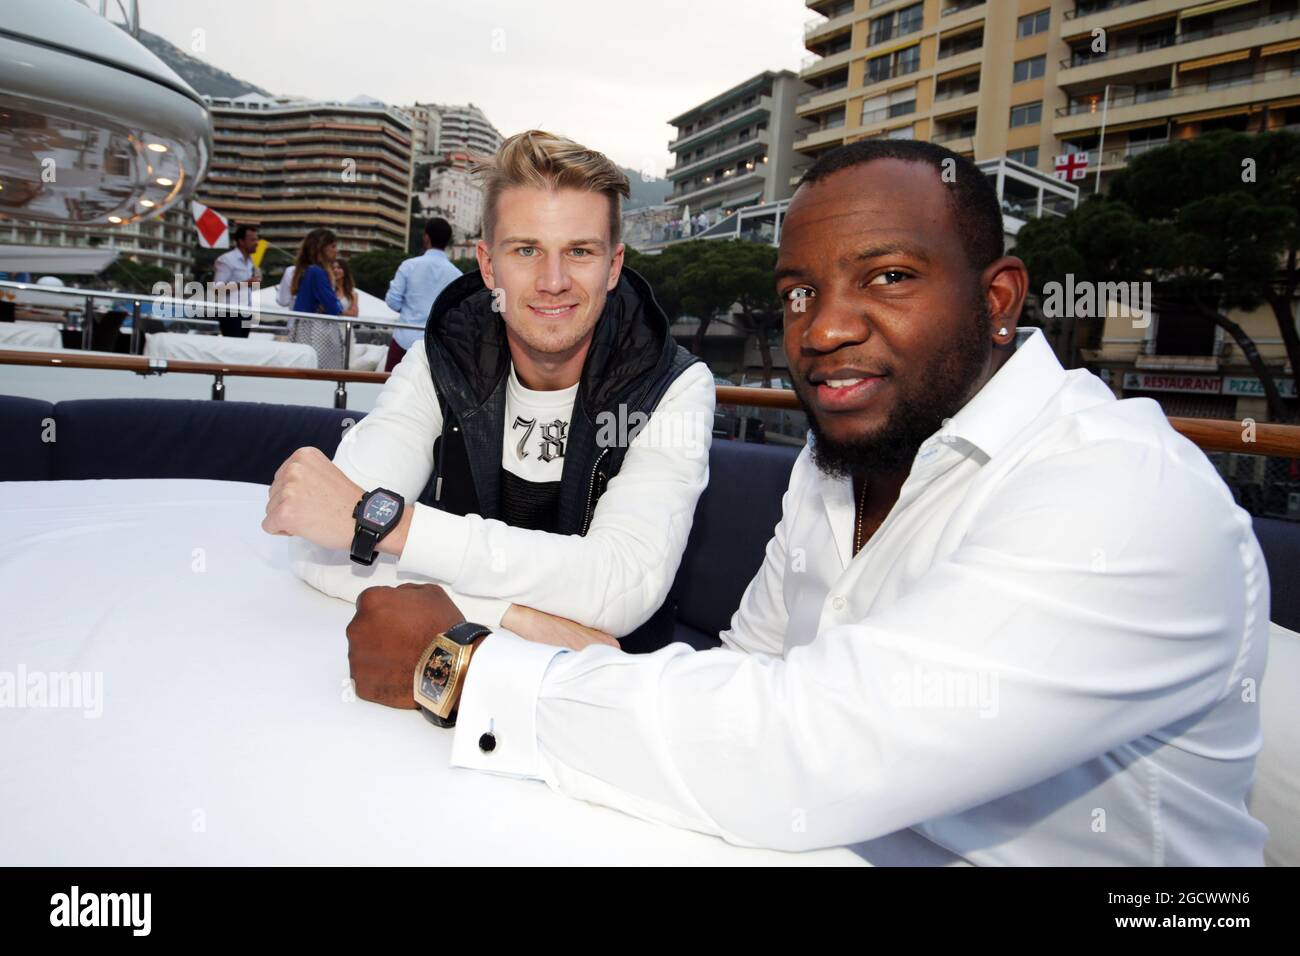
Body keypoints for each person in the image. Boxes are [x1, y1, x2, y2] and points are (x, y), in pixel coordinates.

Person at [341, 139, 1270, 865]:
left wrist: (465, 666)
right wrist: (578, 656)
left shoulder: (1121, 491)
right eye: (798, 292)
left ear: (1000, 298)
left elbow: (810, 745)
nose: (823, 328)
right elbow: (753, 678)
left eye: (890, 277)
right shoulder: (833, 468)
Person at [263, 130, 715, 652]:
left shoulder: (672, 386)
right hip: (445, 681)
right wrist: (513, 618)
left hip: (603, 696)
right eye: (526, 250)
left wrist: (393, 528)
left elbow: (623, 588)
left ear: (613, 266)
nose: (553, 280)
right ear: (486, 264)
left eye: (580, 251)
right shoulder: (440, 360)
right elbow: (317, 544)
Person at [384, 218, 461, 372]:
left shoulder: (409, 266)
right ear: (447, 241)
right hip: (437, 346)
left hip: (404, 340)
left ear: (426, 237)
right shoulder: (457, 275)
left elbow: (392, 301)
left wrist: (408, 309)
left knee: (389, 388)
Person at [287, 228, 345, 369]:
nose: (336, 250)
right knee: (324, 373)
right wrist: (337, 305)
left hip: (302, 327)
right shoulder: (318, 272)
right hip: (317, 331)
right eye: (333, 246)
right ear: (322, 248)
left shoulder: (306, 270)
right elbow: (333, 308)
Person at [212, 224, 260, 338]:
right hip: (230, 312)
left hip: (246, 311)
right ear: (241, 241)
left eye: (256, 239)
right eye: (252, 240)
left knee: (243, 347)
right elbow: (217, 289)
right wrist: (246, 283)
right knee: (234, 348)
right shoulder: (227, 260)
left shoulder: (250, 261)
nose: (256, 243)